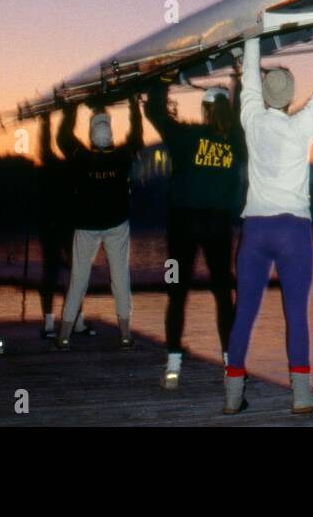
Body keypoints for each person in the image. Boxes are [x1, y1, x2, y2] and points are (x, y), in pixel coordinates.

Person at [224, 24, 313, 415]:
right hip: (293, 230)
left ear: (264, 95)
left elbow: (249, 85)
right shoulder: (300, 126)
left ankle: (231, 396)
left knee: (244, 312)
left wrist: (252, 36)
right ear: (290, 97)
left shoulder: (251, 121)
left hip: (255, 229)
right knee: (296, 313)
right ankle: (301, 396)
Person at [145, 80, 243, 388]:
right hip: (218, 226)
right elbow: (242, 114)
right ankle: (231, 366)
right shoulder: (238, 141)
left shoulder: (187, 136)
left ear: (204, 110)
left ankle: (173, 367)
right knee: (223, 295)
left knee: (176, 293)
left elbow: (155, 114)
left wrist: (159, 83)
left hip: (182, 227)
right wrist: (238, 82)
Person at [53, 96, 143, 351]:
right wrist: (135, 105)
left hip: (86, 227)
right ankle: (125, 335)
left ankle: (64, 336)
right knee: (120, 279)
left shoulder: (80, 157)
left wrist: (70, 109)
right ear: (111, 135)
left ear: (91, 136)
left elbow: (63, 137)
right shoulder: (123, 157)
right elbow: (137, 134)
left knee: (78, 280)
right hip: (116, 225)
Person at [36, 112, 94, 340]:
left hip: (60, 227)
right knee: (61, 274)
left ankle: (61, 323)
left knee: (58, 274)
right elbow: (49, 145)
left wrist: (46, 122)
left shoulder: (64, 166)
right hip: (60, 227)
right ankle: (64, 323)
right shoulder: (77, 168)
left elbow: (46, 146)